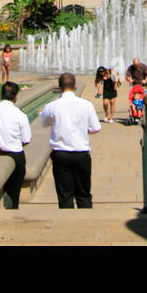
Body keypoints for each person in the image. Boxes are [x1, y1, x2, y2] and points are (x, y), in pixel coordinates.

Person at [39, 72, 102, 208]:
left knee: (64, 195)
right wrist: (83, 131)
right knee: (83, 193)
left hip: (61, 154)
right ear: (74, 86)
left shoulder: (52, 106)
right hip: (81, 153)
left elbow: (43, 122)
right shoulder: (86, 105)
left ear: (59, 87)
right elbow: (96, 128)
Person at [0, 81, 32, 208]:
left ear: (2, 94)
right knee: (13, 193)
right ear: (16, 97)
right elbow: (26, 140)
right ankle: (11, 207)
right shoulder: (20, 114)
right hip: (14, 155)